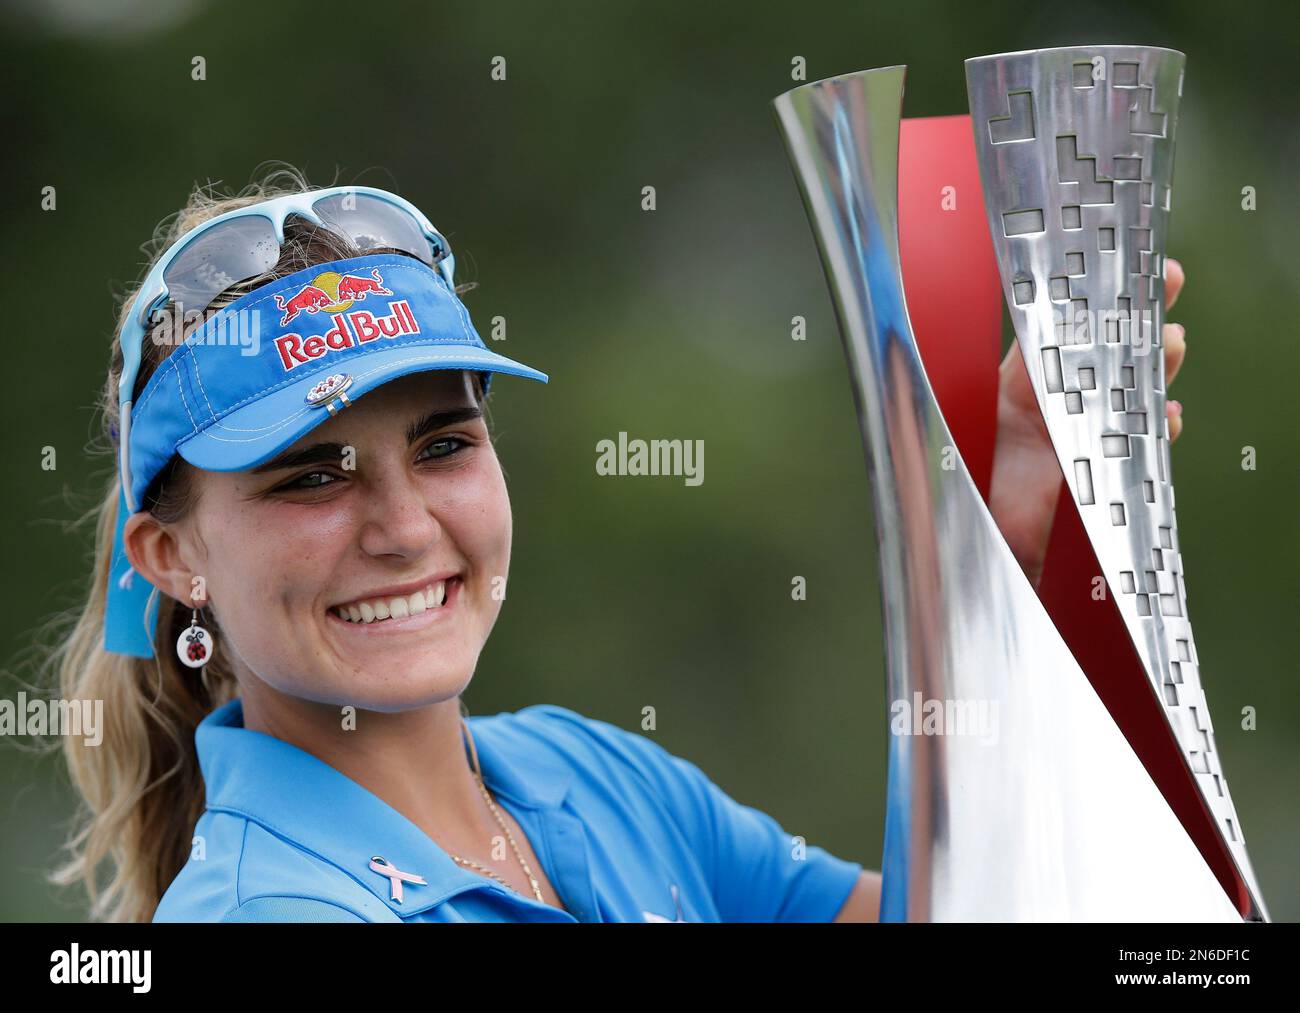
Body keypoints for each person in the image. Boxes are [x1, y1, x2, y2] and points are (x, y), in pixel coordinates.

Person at [41, 165, 1189, 922]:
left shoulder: (591, 773)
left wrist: (1008, 578)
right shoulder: (267, 909)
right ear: (169, 555)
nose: (403, 528)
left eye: (442, 444)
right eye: (311, 475)